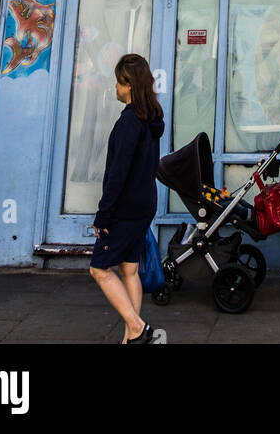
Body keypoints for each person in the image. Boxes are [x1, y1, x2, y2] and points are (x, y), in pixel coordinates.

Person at [89, 53, 165, 345]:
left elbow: (118, 174)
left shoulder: (130, 123)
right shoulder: (150, 120)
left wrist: (103, 215)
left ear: (130, 85)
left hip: (124, 210)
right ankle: (129, 340)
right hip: (144, 205)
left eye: (119, 84)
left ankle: (137, 328)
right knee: (129, 270)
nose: (116, 89)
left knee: (99, 269)